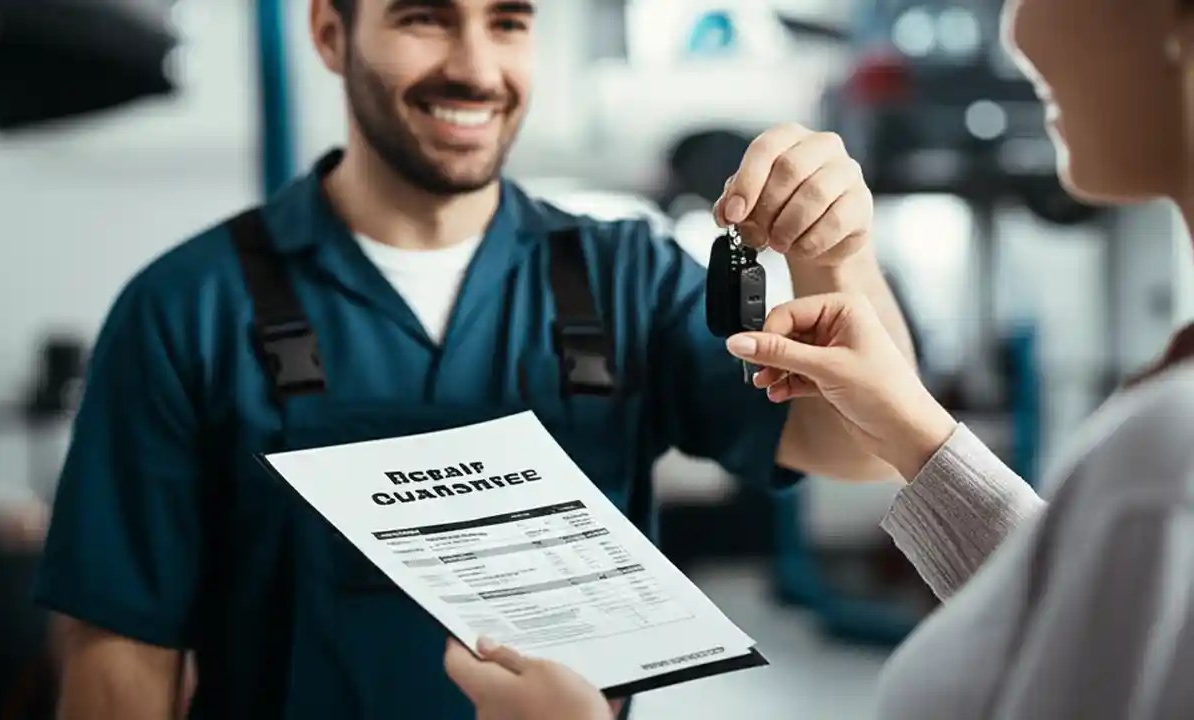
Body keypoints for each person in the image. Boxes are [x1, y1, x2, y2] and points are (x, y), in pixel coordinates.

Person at [33, 0, 916, 717]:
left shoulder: (626, 278)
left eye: (509, 21)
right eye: (424, 18)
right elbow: (120, 652)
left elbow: (859, 448)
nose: (476, 66)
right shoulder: (187, 306)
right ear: (331, 33)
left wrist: (833, 255)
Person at [443, 0, 1194, 717]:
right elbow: (1081, 617)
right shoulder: (1157, 455)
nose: (1019, 34)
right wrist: (916, 434)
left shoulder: (1163, 458)